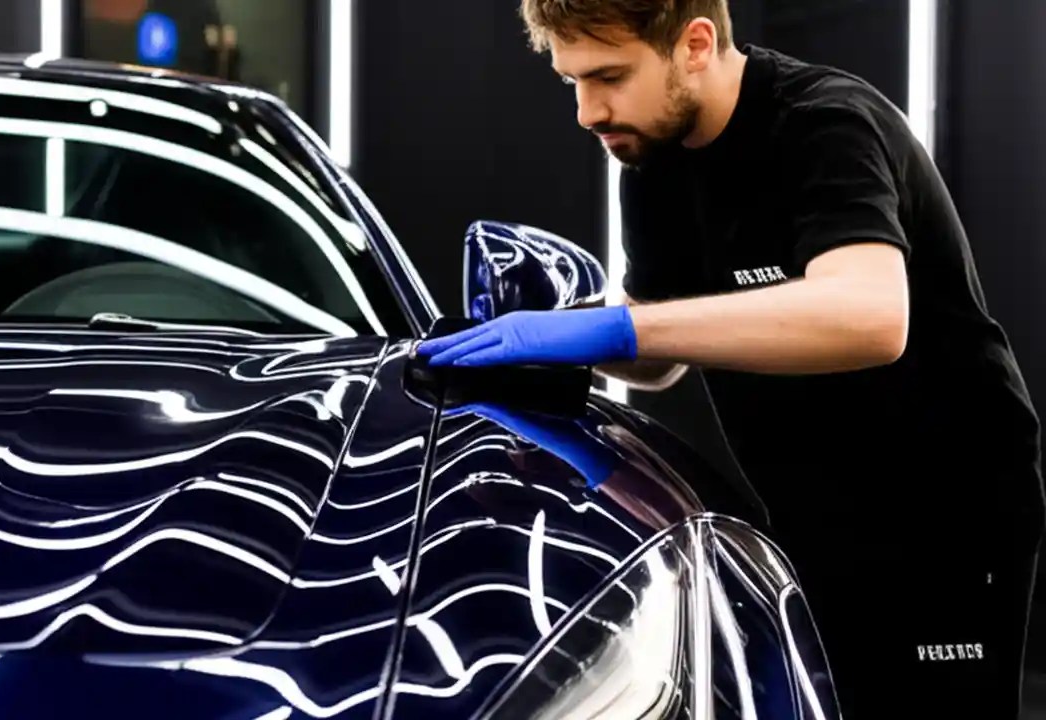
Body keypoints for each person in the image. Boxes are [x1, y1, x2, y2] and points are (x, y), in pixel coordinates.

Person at [415, 1, 1046, 717]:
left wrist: (616, 328)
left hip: (944, 508)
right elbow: (658, 360)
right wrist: (549, 344)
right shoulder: (654, 161)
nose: (588, 112)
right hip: (810, 500)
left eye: (610, 77)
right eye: (572, 82)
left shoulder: (824, 125)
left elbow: (870, 317)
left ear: (695, 44)